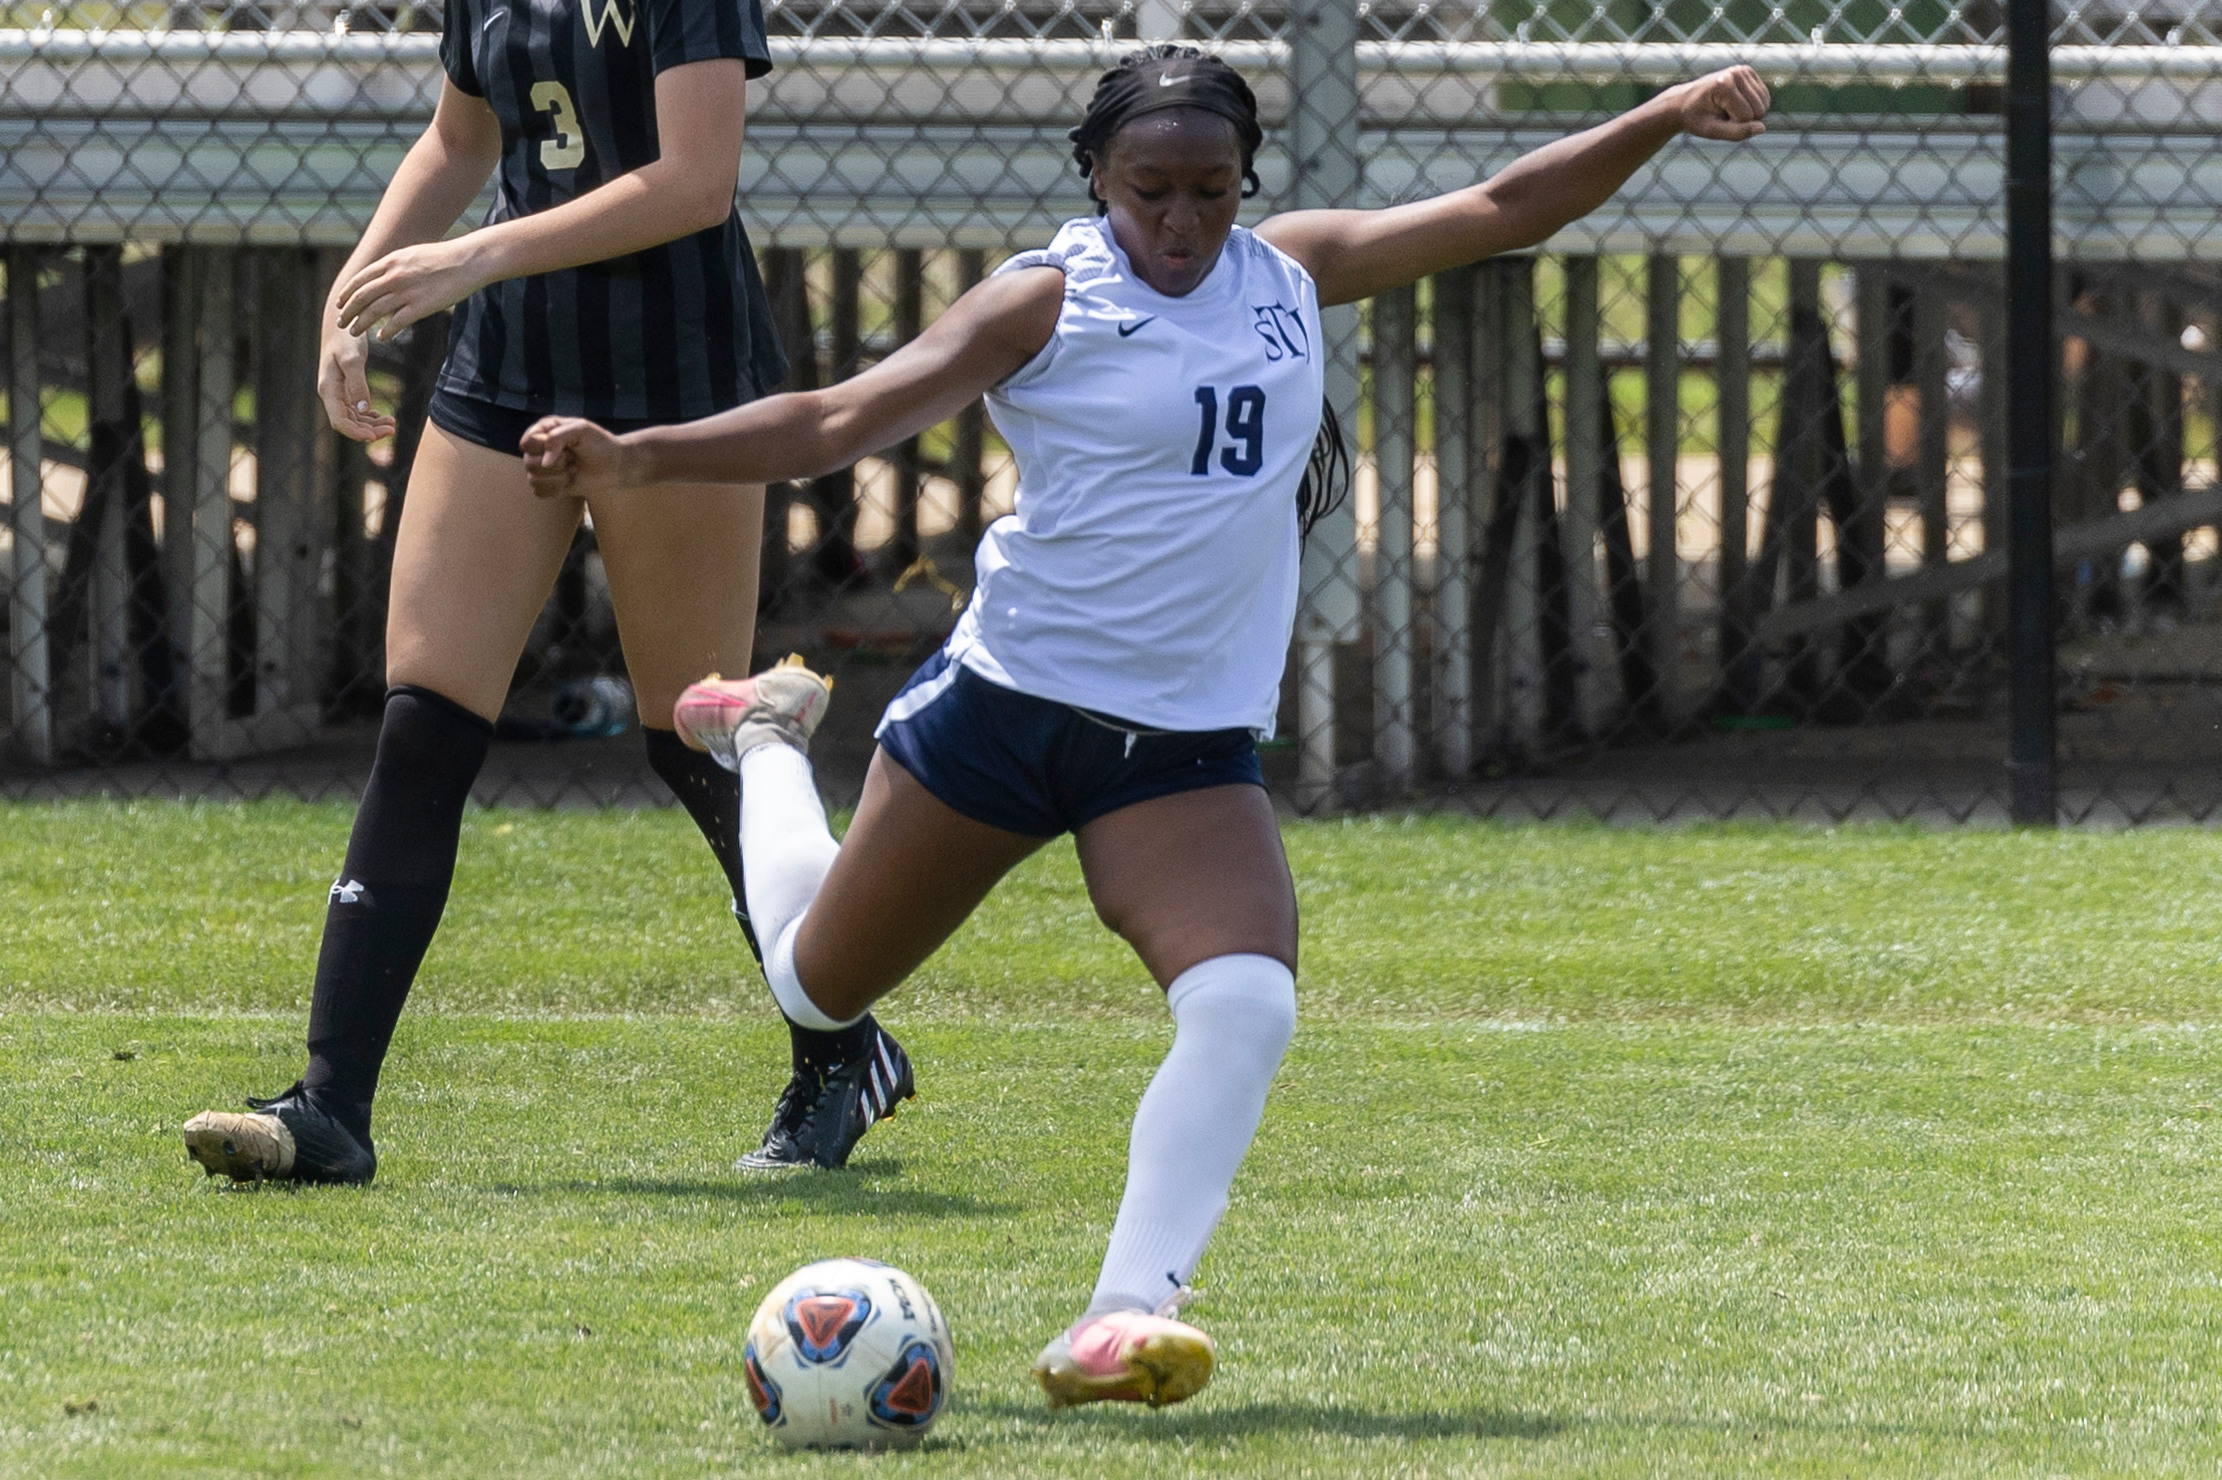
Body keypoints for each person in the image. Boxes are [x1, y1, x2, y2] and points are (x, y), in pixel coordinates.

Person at [522, 45, 1771, 1407]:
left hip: (1179, 752)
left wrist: (1663, 110)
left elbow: (1503, 208)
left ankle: (1118, 1319)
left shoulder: (1288, 277)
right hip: (1003, 716)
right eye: (1148, 191)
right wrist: (638, 457)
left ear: (1246, 183)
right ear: (1096, 179)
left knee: (1244, 1003)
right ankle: (769, 737)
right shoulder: (1043, 301)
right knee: (816, 989)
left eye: (1210, 192)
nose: (1179, 222)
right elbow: (835, 420)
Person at [181, 0, 918, 1186]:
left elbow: (695, 181)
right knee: (425, 722)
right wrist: (353, 293)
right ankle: (328, 1109)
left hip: (671, 379)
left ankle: (840, 1050)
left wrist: (477, 252)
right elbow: (459, 141)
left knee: (696, 735)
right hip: (510, 368)